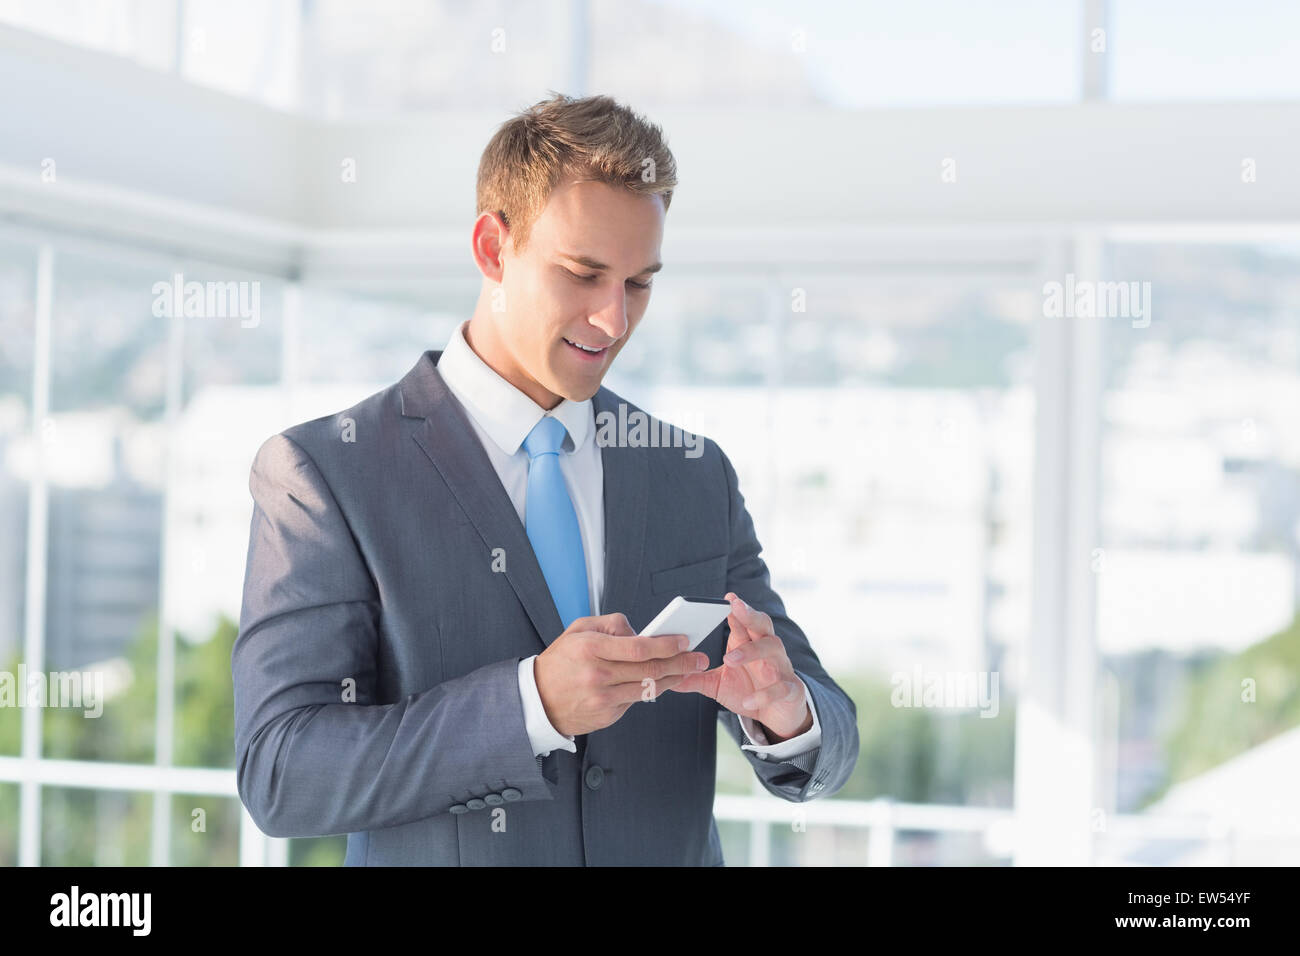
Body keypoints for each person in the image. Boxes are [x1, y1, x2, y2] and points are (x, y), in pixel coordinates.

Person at [232, 91, 858, 866]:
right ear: (493, 249)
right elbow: (282, 771)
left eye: (638, 283)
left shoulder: (691, 474)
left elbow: (829, 729)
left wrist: (786, 712)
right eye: (583, 274)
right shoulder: (327, 475)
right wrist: (529, 706)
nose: (613, 320)